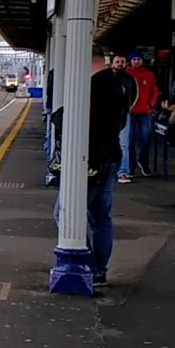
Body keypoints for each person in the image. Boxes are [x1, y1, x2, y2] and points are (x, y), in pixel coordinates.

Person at [52, 55, 131, 290]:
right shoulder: (119, 84)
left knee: (63, 212)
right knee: (101, 217)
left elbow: (69, 120)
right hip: (111, 157)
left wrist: (58, 116)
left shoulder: (93, 88)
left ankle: (87, 265)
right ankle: (100, 269)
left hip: (90, 162)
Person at [126, 50, 160, 177]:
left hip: (144, 112)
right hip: (129, 112)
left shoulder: (149, 74)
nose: (136, 61)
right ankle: (131, 166)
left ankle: (143, 161)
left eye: (138, 59)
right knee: (129, 140)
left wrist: (151, 104)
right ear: (130, 61)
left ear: (142, 60)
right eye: (134, 59)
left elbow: (154, 91)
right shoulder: (126, 73)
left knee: (146, 138)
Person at [109, 55, 138, 184]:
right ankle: (109, 171)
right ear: (112, 63)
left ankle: (122, 172)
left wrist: (128, 109)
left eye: (122, 62)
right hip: (108, 115)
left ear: (126, 64)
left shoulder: (130, 79)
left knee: (124, 144)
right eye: (117, 62)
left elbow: (135, 95)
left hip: (124, 114)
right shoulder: (106, 78)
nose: (120, 64)